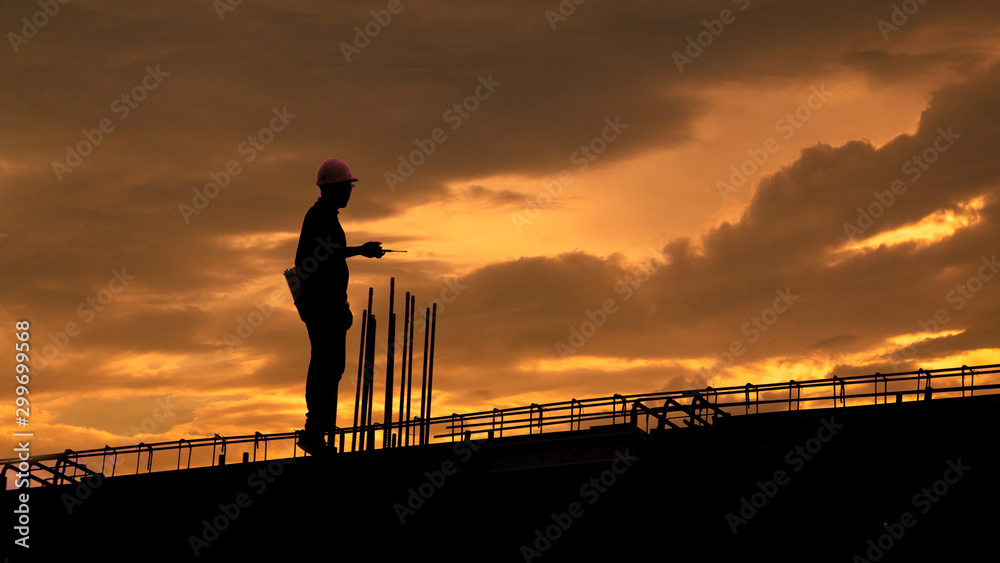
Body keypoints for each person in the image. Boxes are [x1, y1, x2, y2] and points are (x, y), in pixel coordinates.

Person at [294, 157, 384, 454]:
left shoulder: (326, 217)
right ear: (333, 189)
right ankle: (315, 430)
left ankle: (320, 430)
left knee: (331, 366)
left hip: (329, 304)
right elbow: (326, 254)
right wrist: (362, 250)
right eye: (346, 187)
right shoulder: (319, 216)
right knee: (325, 364)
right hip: (322, 307)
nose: (349, 192)